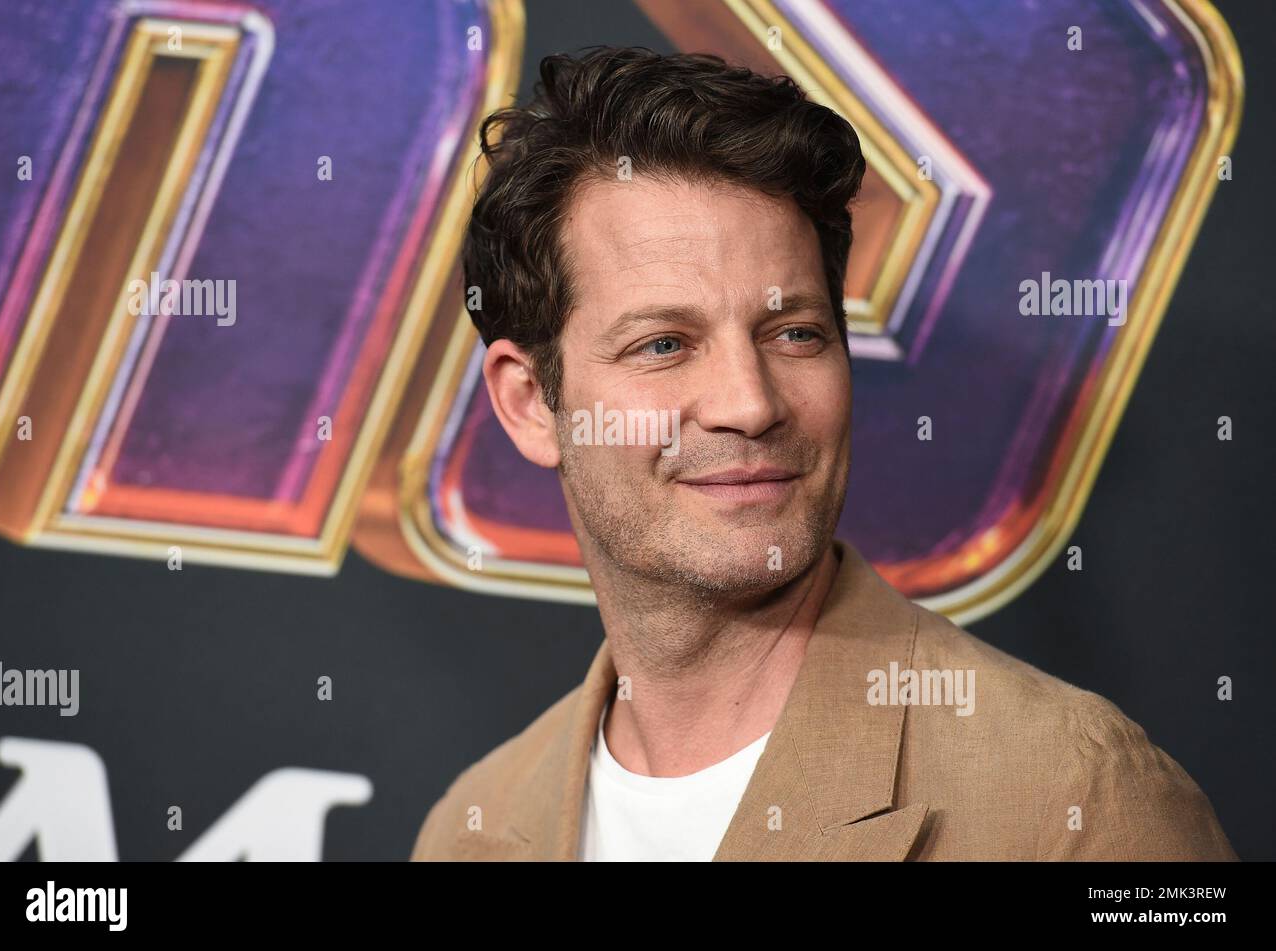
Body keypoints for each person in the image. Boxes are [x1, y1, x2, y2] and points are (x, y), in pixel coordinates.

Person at [410, 46, 1235, 861]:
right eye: (664, 344)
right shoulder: (469, 831)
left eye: (795, 333)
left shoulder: (1078, 801)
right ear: (529, 402)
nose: (751, 403)